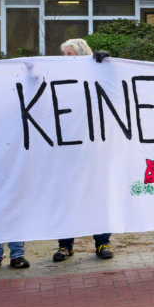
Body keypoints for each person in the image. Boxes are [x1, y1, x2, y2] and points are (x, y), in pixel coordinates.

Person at [53, 38, 114, 262]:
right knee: (67, 197)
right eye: (65, 55)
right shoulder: (58, 74)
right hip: (67, 147)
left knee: (97, 194)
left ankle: (102, 242)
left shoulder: (96, 71)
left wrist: (107, 62)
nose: (67, 59)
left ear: (82, 54)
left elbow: (113, 85)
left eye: (70, 54)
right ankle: (65, 245)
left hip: (93, 147)